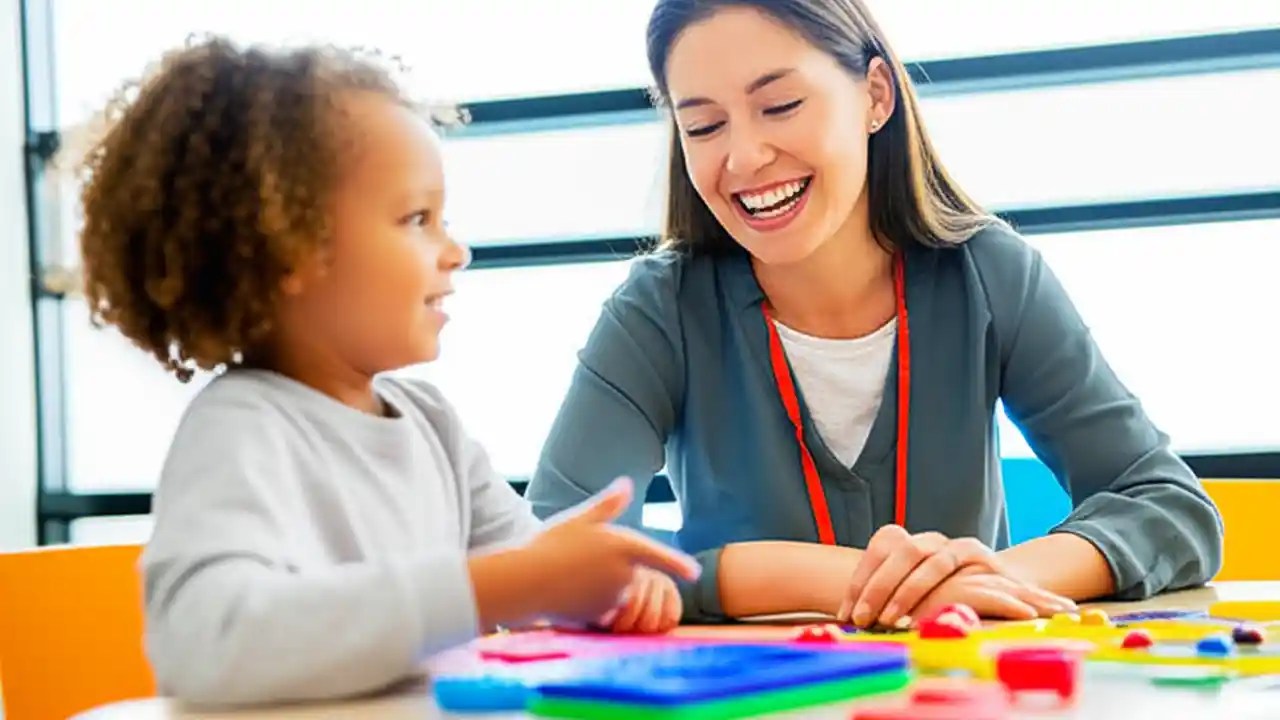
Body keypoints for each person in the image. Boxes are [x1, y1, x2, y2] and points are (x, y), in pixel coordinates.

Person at [528, 0, 1224, 628]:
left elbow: (1167, 503)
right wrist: (832, 580)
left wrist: (989, 577)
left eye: (780, 106)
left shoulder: (988, 275)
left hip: (963, 696)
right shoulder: (659, 311)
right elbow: (548, 555)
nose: (744, 156)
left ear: (876, 95)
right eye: (704, 125)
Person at [75, 37, 698, 707]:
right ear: (288, 248)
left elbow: (529, 573)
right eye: (416, 219)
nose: (456, 251)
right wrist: (510, 584)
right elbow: (206, 643)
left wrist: (605, 592)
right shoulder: (240, 430)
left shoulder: (432, 426)